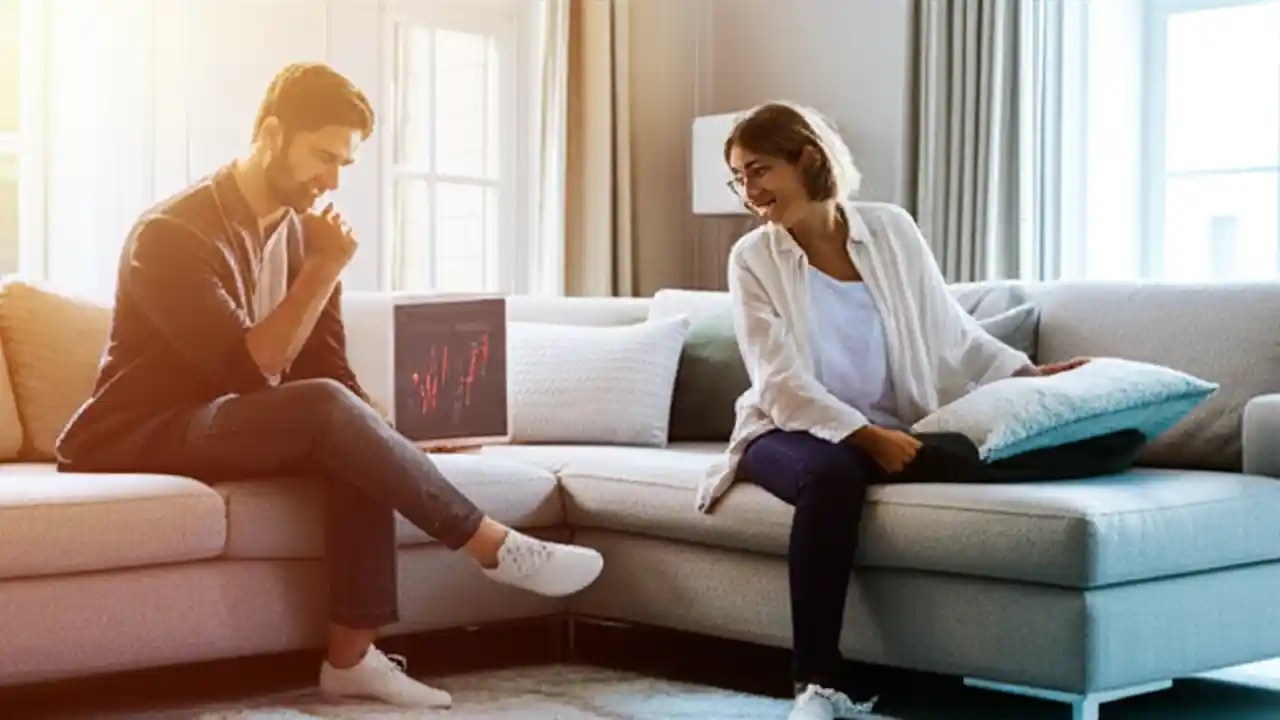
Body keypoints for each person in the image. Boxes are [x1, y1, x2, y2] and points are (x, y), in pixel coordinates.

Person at [54, 62, 604, 709]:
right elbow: (248, 371)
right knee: (322, 411)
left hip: (230, 423)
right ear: (270, 134)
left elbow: (331, 370)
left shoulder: (301, 234)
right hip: (139, 430)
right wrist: (323, 269)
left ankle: (351, 660)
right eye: (323, 156)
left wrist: (392, 440)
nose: (333, 180)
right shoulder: (172, 233)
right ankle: (492, 546)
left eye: (344, 162)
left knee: (353, 445)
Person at [704, 102, 1088, 720]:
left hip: (893, 429)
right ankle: (816, 687)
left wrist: (1027, 377)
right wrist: (862, 436)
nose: (749, 192)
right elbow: (777, 382)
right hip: (784, 432)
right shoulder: (752, 258)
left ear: (808, 158)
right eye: (738, 178)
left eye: (759, 170)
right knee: (833, 475)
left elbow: (950, 329)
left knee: (991, 452)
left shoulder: (890, 230)